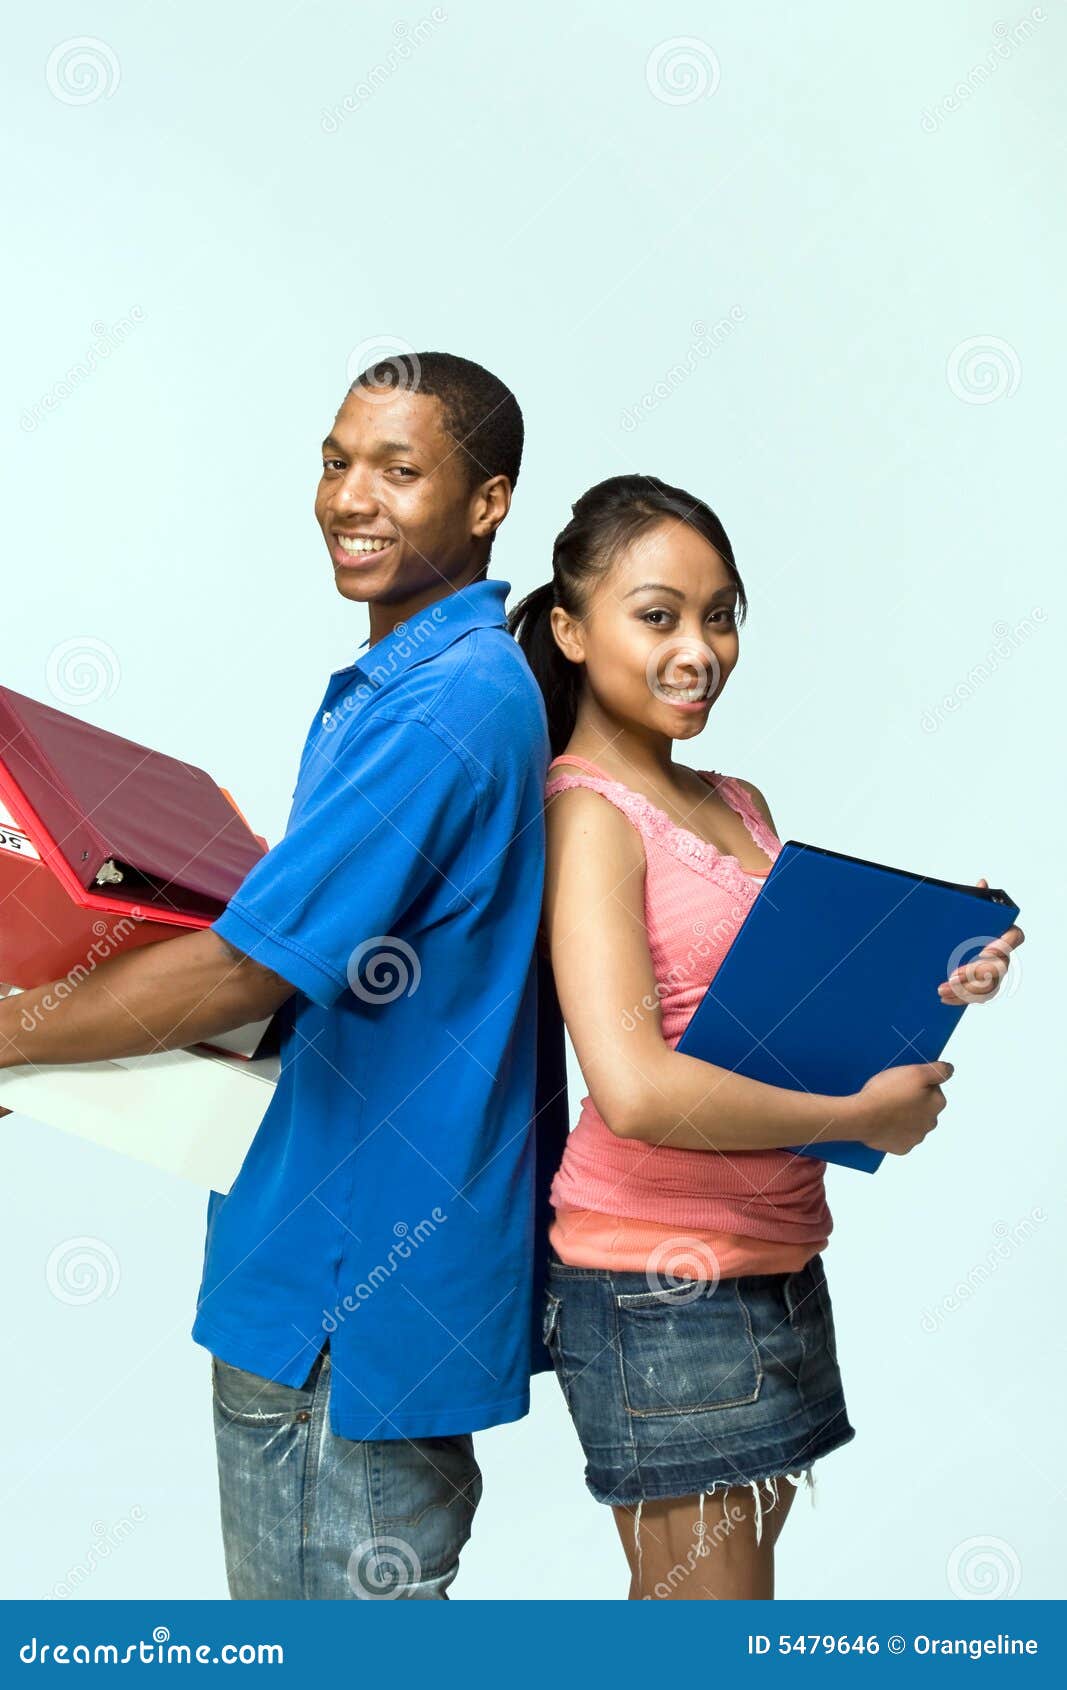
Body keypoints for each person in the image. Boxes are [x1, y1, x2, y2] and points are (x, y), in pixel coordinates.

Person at [0, 351, 568, 1600]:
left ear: (488, 503)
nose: (348, 496)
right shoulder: (421, 684)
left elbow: (244, 974)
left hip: (342, 1296)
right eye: (333, 459)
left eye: (399, 469)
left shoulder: (443, 706)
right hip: (339, 1270)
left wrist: (14, 1027)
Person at [509, 474, 1024, 1601]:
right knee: (707, 1639)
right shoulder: (585, 814)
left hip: (774, 1258)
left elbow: (774, 1016)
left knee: (713, 1624)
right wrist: (856, 1119)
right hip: (657, 1281)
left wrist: (930, 963)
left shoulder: (736, 797)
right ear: (568, 627)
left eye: (721, 613)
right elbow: (636, 1088)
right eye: (656, 615)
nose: (700, 648)